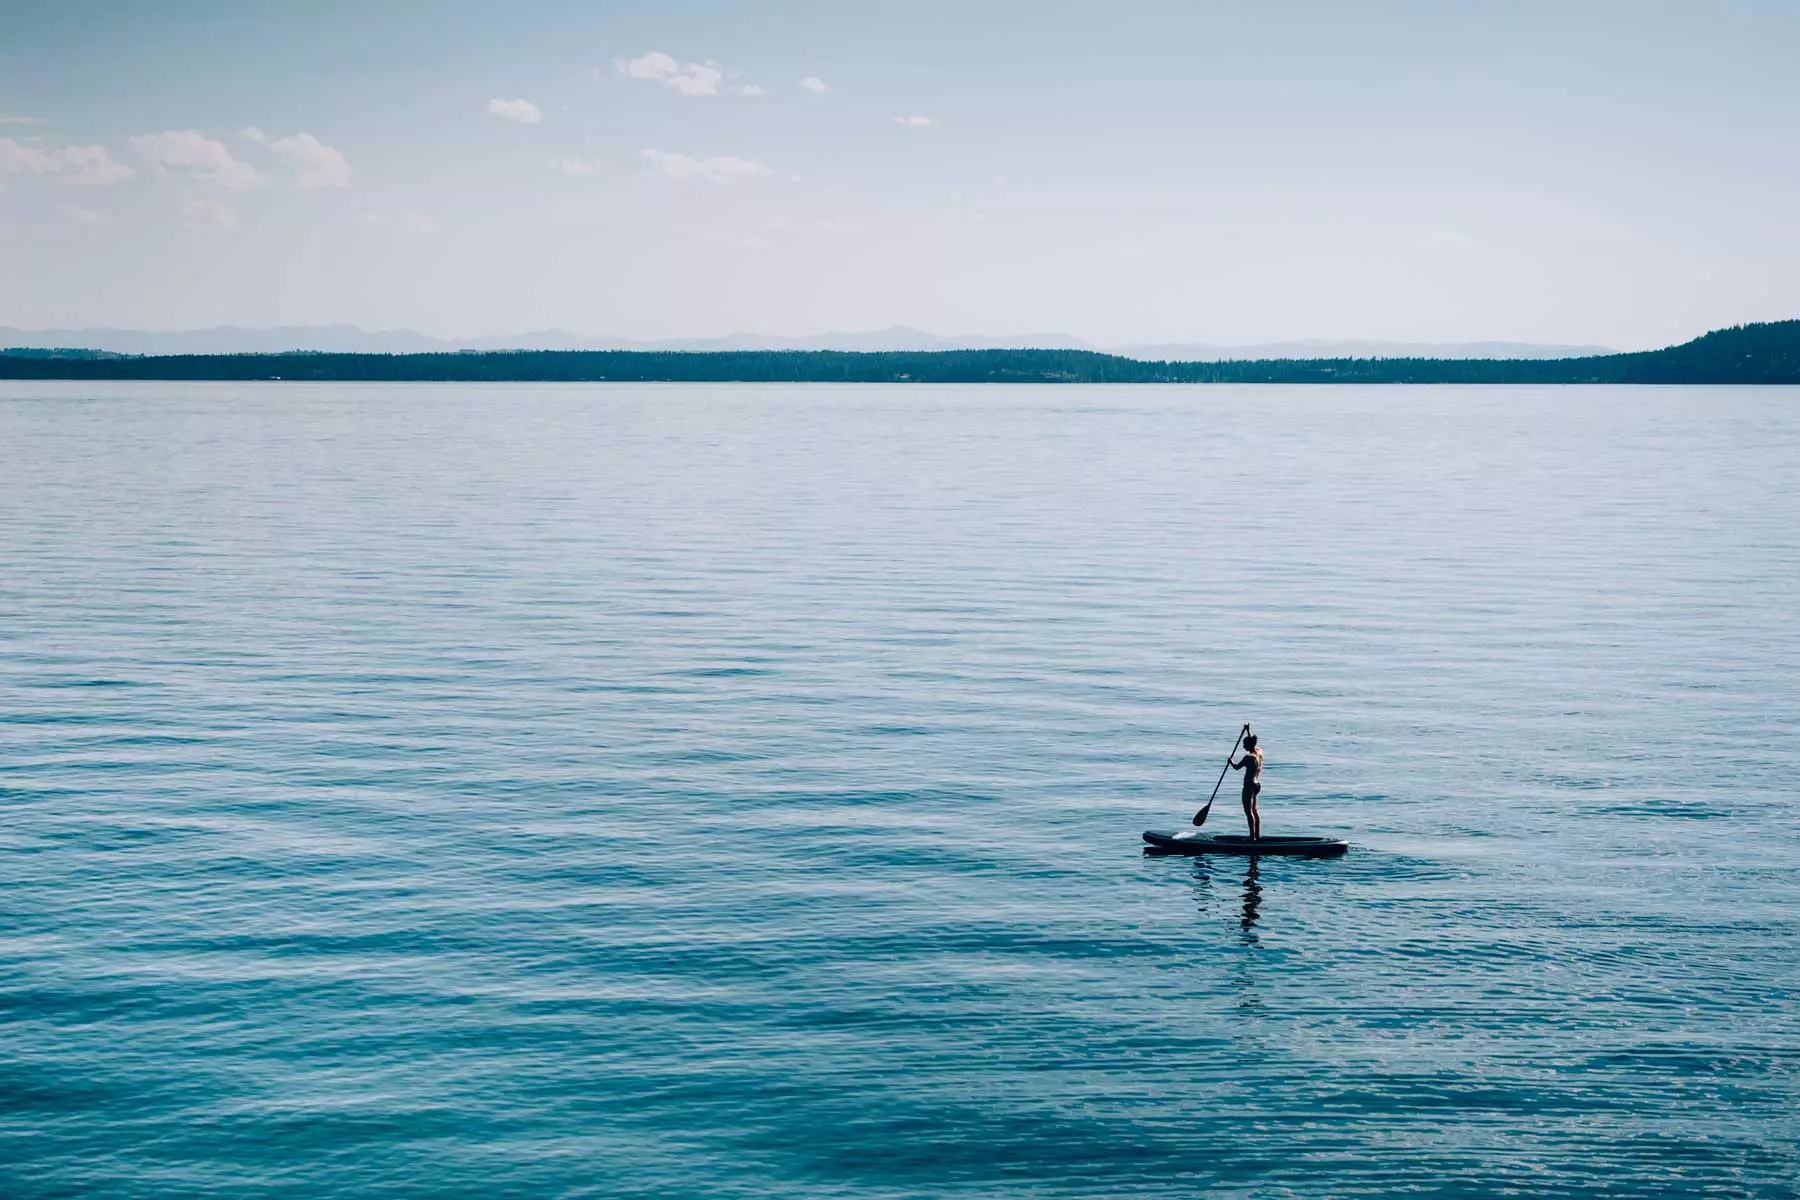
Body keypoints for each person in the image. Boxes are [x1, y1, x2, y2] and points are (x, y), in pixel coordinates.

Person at [1229, 731, 1264, 840]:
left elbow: (1236, 767)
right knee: (1254, 810)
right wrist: (1248, 730)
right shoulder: (1259, 753)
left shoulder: (1248, 758)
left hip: (1248, 786)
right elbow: (1254, 741)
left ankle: (1251, 837)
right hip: (1257, 785)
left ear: (1249, 745)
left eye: (1244, 744)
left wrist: (1231, 762)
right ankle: (1257, 835)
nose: (1243, 746)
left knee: (1248, 812)